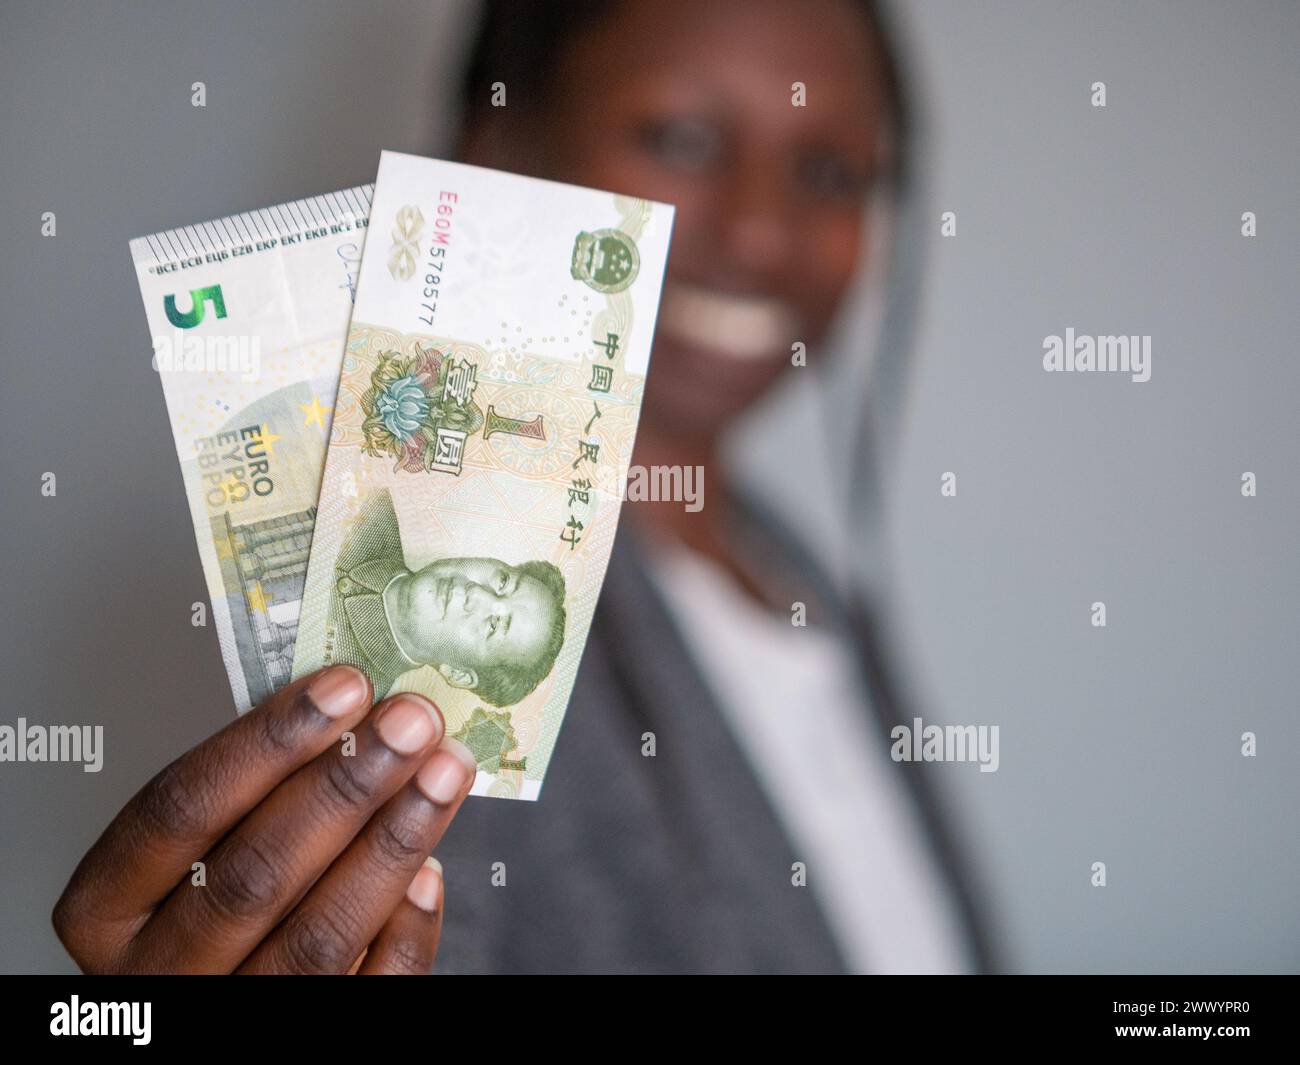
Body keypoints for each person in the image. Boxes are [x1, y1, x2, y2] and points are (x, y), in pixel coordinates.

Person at [53, 0, 996, 974]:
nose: (760, 233)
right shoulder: (397, 649)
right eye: (682, 138)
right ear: (496, 147)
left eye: (829, 172)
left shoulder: (806, 587)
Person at [324, 487, 566, 705]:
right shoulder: (368, 499)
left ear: (457, 673)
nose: (477, 593)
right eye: (503, 581)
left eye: (493, 626)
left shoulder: (342, 704)